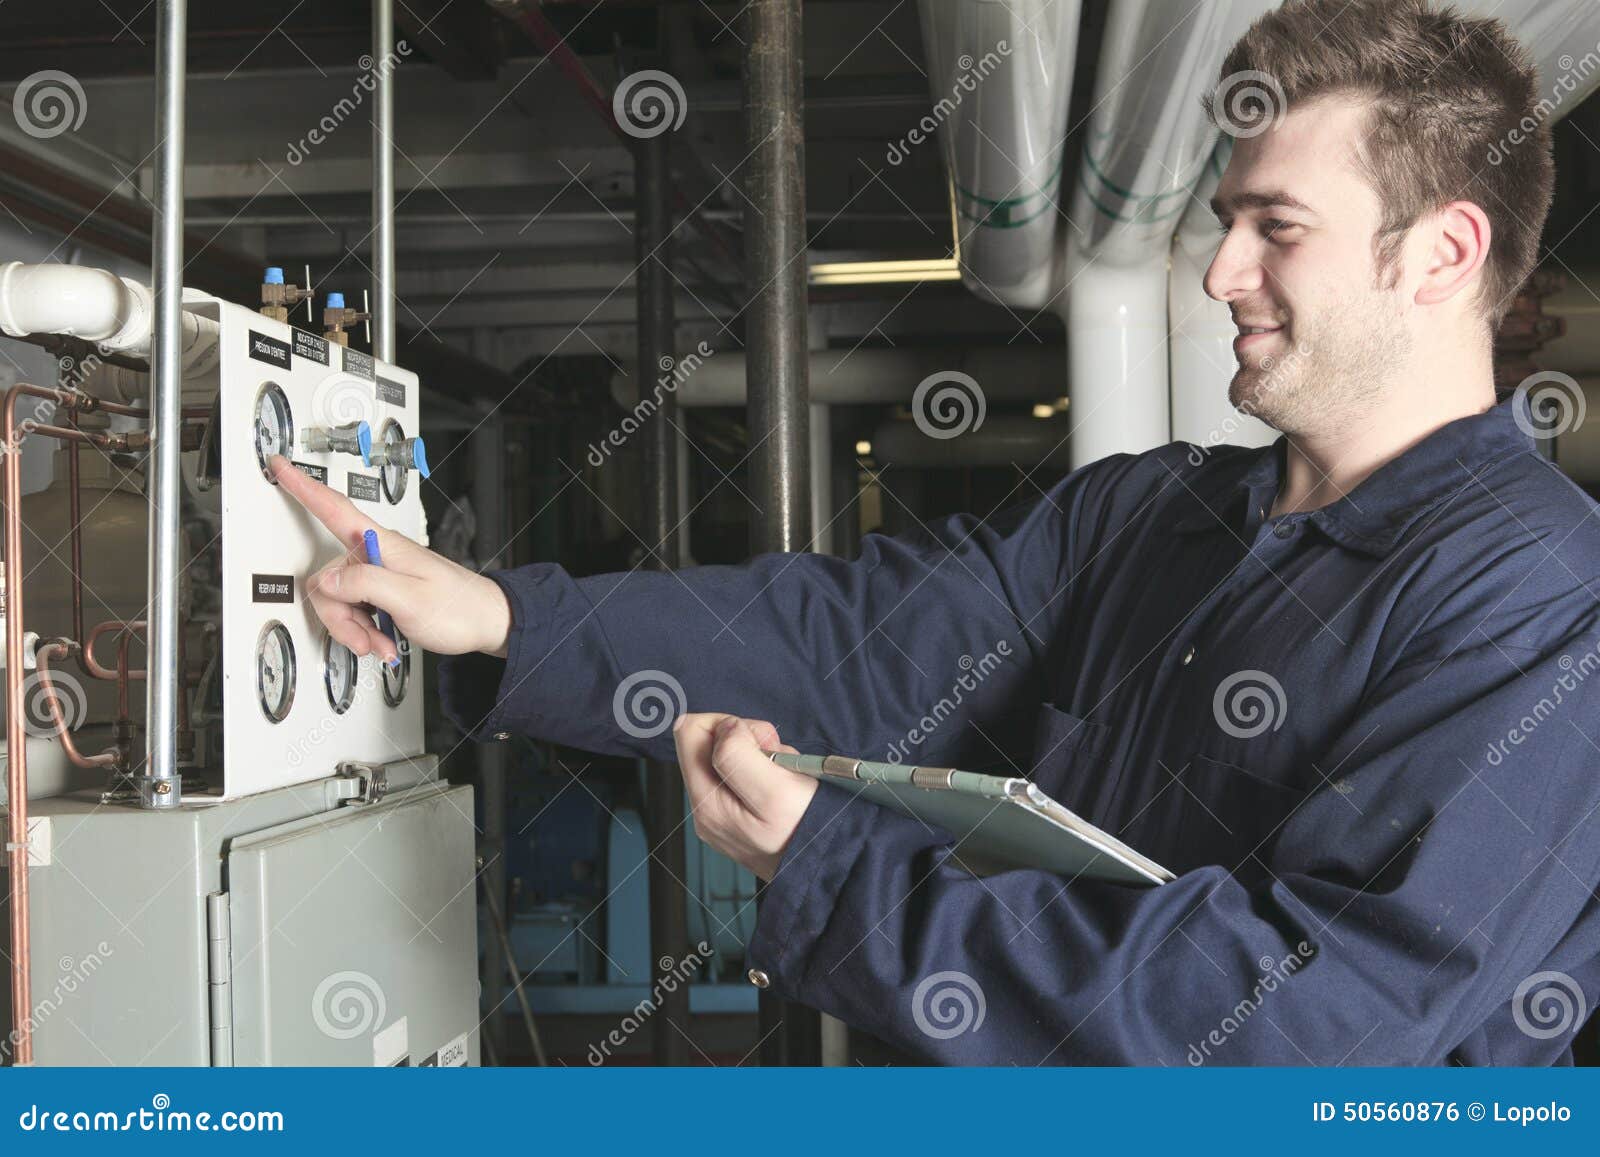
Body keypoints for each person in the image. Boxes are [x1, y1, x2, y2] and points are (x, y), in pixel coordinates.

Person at [271, 0, 1600, 1064]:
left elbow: (1299, 1028)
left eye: (1278, 229)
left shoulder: (1541, 605)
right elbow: (862, 637)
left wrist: (840, 870)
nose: (1220, 271)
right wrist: (507, 616)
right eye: (1225, 223)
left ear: (1441, 254)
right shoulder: (1158, 514)